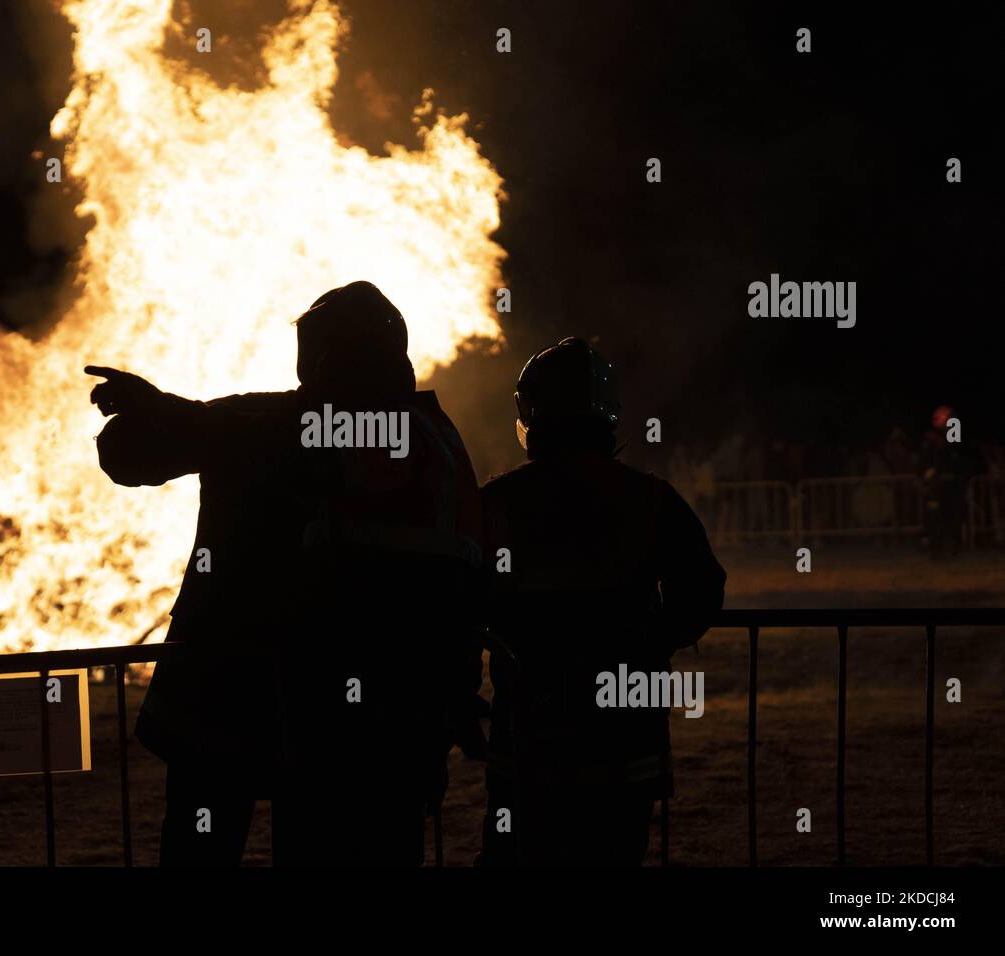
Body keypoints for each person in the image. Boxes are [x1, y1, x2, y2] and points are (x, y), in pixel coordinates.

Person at [88, 280, 484, 866]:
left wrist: (163, 412)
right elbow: (464, 588)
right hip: (370, 716)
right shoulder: (436, 443)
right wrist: (456, 698)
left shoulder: (269, 425)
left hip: (236, 701)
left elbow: (139, 453)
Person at [476, 337, 725, 867]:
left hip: (527, 739)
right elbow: (702, 589)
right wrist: (647, 646)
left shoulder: (495, 503)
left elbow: (457, 599)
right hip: (625, 743)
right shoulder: (652, 499)